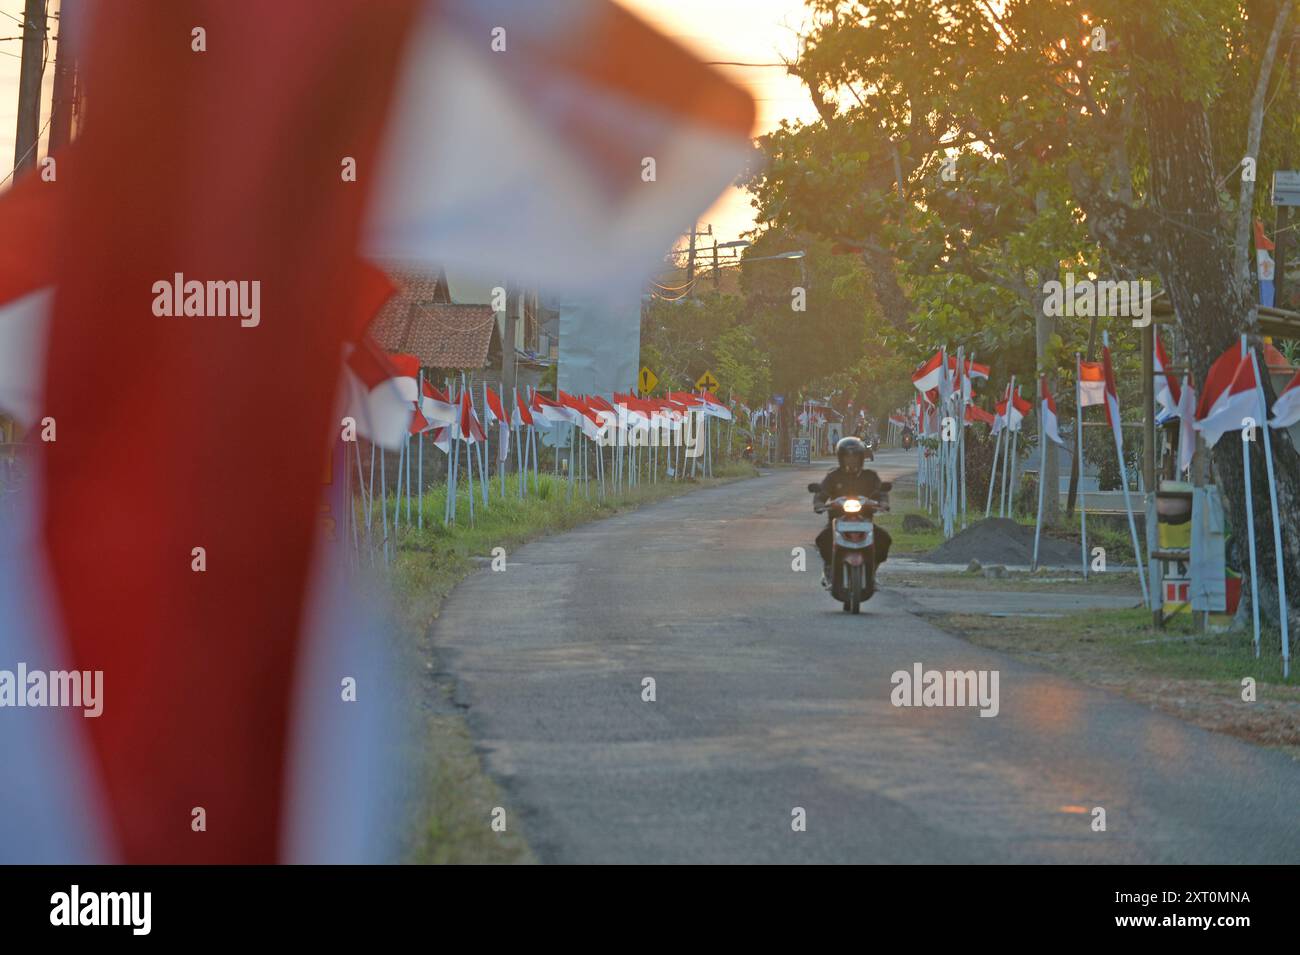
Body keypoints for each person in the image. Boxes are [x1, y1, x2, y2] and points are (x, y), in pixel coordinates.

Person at [813, 435, 892, 586]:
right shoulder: (833, 476)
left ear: (861, 457)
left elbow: (881, 492)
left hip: (865, 521)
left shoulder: (870, 476)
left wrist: (883, 503)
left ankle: (873, 569)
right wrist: (819, 504)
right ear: (841, 458)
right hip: (838, 521)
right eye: (847, 456)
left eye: (855, 456)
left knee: (884, 539)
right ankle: (829, 567)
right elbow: (821, 494)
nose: (851, 460)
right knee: (822, 539)